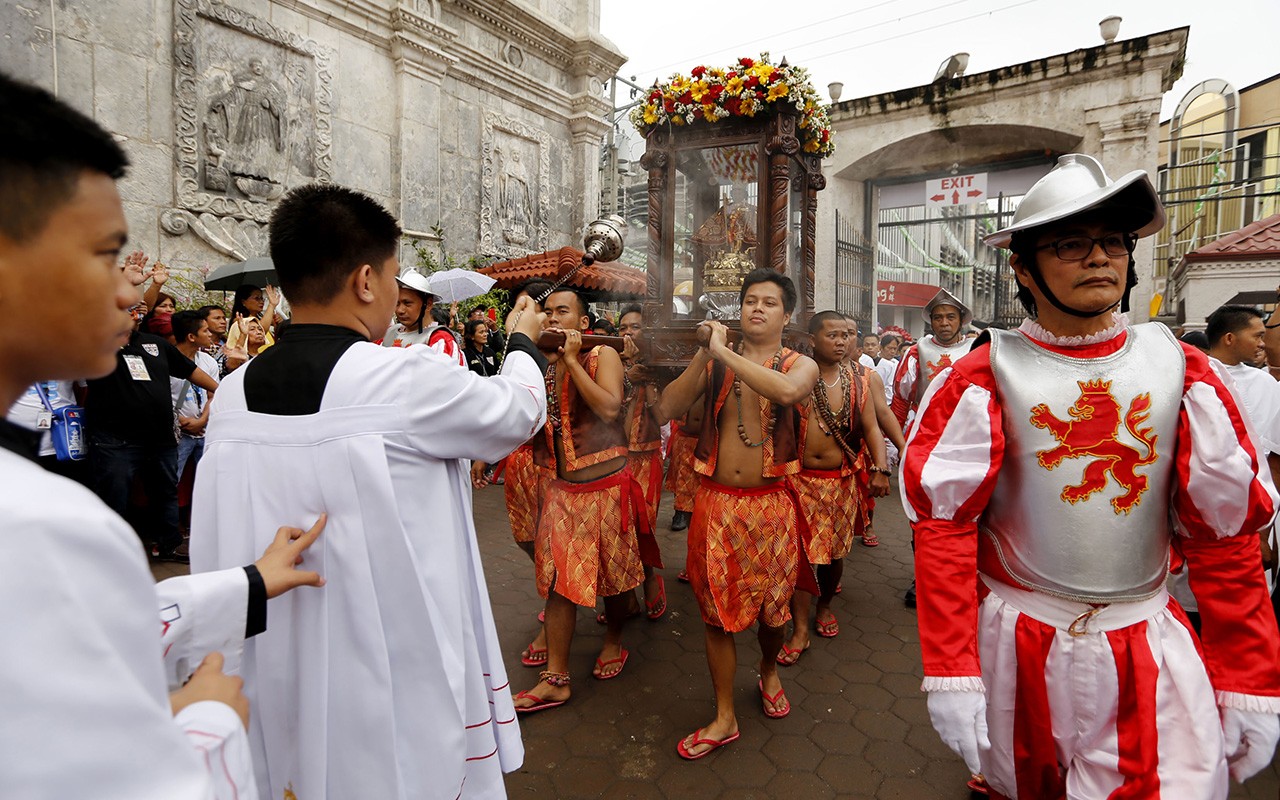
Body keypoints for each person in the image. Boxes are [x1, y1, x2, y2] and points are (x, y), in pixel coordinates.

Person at [904, 153, 1280, 797]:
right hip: (1019, 635)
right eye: (1072, 243)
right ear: (1023, 267)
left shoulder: (1182, 369)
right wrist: (952, 667)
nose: (1100, 258)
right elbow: (945, 531)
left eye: (1113, 242)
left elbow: (1224, 538)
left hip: (1145, 638)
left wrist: (1249, 677)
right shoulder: (980, 375)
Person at [0, 70, 326, 800]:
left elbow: (86, 624)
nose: (128, 292)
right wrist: (208, 722)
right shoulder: (38, 526)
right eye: (104, 255)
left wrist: (248, 584)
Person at [191, 183, 547, 799]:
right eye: (391, 277)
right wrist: (520, 344)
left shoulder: (231, 394)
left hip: (274, 652)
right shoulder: (401, 379)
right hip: (385, 662)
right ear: (364, 281)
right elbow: (515, 413)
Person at [657, 269, 820, 759]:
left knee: (773, 613)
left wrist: (722, 351)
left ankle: (767, 671)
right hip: (715, 503)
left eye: (769, 303)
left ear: (786, 315)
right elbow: (667, 407)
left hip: (771, 507)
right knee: (715, 616)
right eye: (750, 300)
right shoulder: (715, 362)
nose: (757, 308)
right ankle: (724, 714)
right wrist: (707, 354)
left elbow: (789, 394)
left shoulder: (801, 364)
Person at [513, 288, 656, 712]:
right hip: (561, 490)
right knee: (559, 582)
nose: (554, 318)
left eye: (564, 311)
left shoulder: (600, 355)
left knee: (614, 579)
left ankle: (613, 641)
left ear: (582, 321)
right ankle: (556, 677)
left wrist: (573, 362)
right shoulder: (539, 359)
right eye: (548, 311)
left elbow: (611, 409)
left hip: (607, 488)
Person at [778, 311, 889, 664]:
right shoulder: (794, 376)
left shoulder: (858, 380)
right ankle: (799, 628)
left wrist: (881, 467)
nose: (841, 342)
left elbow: (872, 427)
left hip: (840, 483)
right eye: (832, 335)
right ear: (812, 339)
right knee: (801, 558)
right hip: (798, 481)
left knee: (834, 557)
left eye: (846, 335)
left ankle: (824, 605)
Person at [85, 295, 219, 562]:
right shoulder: (99, 343)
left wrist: (223, 390)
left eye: (136, 311)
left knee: (165, 492)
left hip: (159, 438)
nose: (134, 314)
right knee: (115, 494)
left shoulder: (155, 343)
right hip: (116, 439)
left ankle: (169, 543)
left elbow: (190, 370)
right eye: (127, 310)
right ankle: (112, 552)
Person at [617, 303, 667, 620]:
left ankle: (650, 580)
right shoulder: (608, 363)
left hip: (647, 457)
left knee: (642, 527)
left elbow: (662, 412)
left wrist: (643, 378)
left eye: (634, 327)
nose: (627, 333)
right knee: (619, 529)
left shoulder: (660, 364)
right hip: (615, 458)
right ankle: (623, 594)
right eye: (622, 328)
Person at [170, 310, 219, 489]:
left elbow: (213, 395)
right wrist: (181, 420)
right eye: (205, 331)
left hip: (204, 431)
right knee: (172, 482)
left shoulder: (208, 362)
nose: (210, 334)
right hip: (178, 433)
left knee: (208, 485)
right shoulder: (165, 362)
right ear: (191, 336)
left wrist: (203, 420)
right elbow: (159, 398)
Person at [380, 267, 465, 366]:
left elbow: (448, 378)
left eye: (407, 303)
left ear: (428, 304)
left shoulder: (440, 340)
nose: (400, 310)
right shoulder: (388, 334)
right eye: (397, 303)